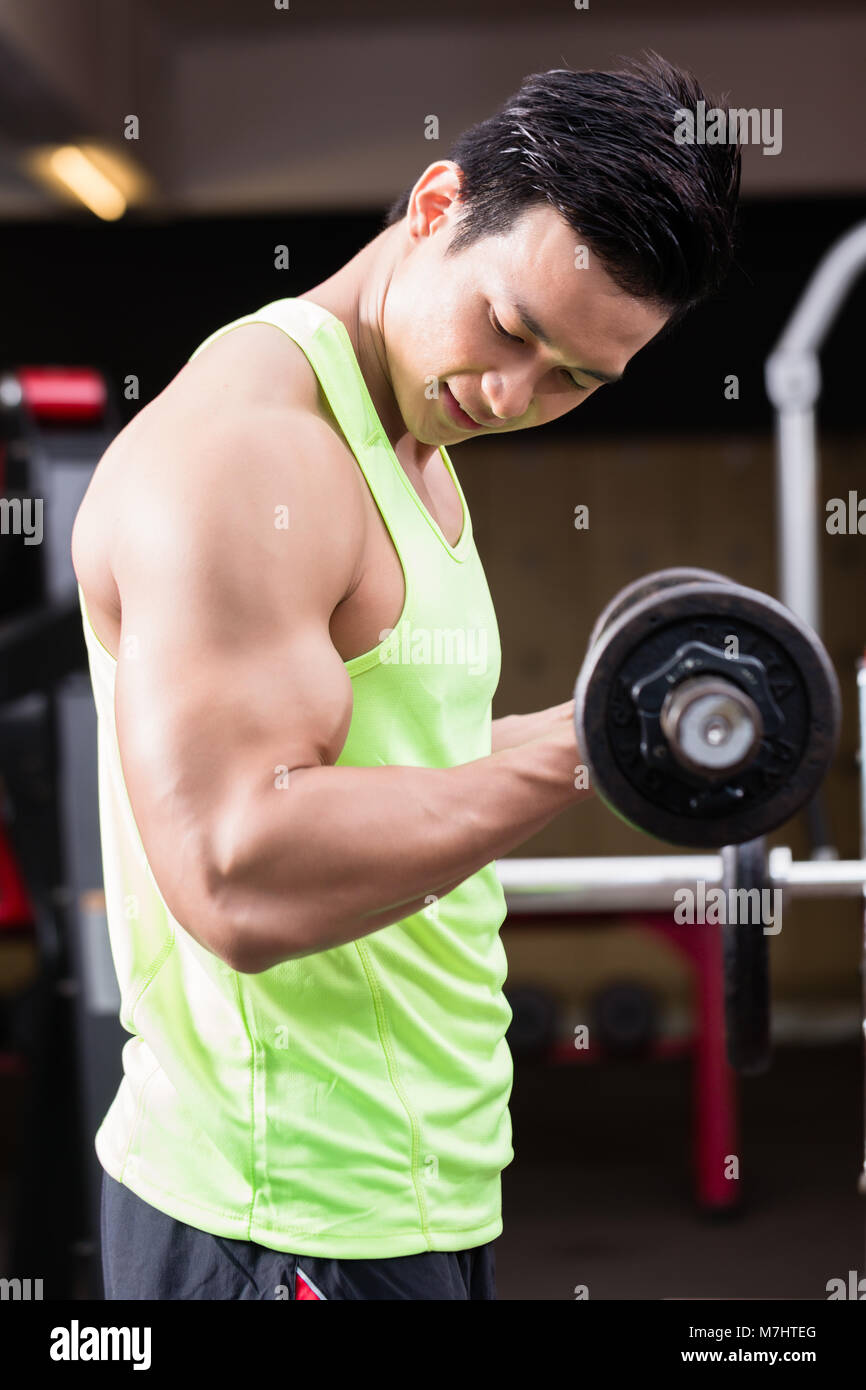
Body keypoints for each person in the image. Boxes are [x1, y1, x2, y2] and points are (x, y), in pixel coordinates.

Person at [72, 53, 740, 1301]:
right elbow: (238, 868)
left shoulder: (413, 424)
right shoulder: (253, 455)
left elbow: (396, 768)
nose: (509, 395)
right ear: (435, 205)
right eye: (510, 330)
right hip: (278, 1212)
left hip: (407, 1185)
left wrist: (619, 713)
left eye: (574, 383)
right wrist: (580, 749)